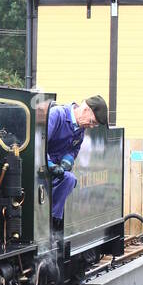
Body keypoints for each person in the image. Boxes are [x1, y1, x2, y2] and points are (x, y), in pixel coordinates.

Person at [47, 95, 109, 228]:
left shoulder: (80, 130)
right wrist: (49, 163)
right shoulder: (57, 115)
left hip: (57, 168)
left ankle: (54, 220)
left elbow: (74, 150)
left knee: (69, 179)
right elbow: (39, 144)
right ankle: (49, 220)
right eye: (92, 121)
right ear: (86, 109)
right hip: (41, 165)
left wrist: (67, 160)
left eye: (94, 124)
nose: (91, 126)